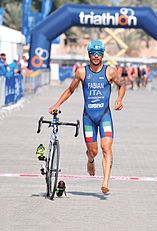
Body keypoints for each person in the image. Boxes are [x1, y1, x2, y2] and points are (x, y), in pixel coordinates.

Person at [49, 39, 126, 194]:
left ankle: (105, 183)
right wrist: (57, 105)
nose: (96, 56)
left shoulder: (110, 71)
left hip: (105, 117)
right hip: (89, 118)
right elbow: (70, 90)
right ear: (89, 55)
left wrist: (119, 99)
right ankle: (90, 160)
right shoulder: (82, 72)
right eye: (93, 53)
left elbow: (122, 85)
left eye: (99, 53)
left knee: (106, 148)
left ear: (103, 54)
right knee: (94, 151)